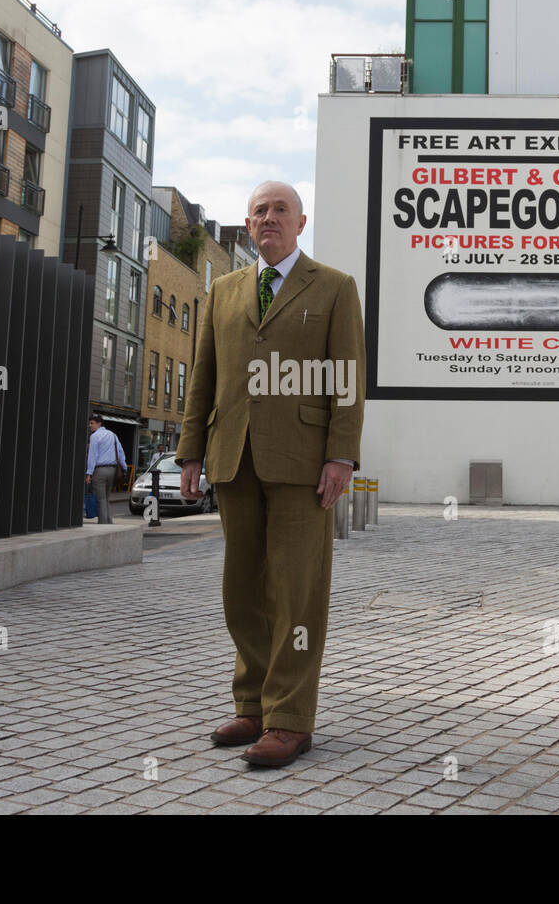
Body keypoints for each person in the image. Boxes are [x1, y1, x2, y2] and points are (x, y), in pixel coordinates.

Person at [175, 181, 365, 767]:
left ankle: (289, 718)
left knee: (296, 592)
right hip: (234, 457)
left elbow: (349, 377)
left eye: (281, 210)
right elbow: (201, 375)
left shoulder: (334, 287)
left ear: (301, 222)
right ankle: (251, 705)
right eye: (259, 211)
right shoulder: (224, 291)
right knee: (243, 591)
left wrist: (341, 455)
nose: (269, 218)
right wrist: (190, 451)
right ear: (248, 225)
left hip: (304, 464)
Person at [85, 413, 127, 525]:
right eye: (89, 423)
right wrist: (124, 467)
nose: (90, 425)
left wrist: (89, 473)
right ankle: (109, 522)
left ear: (99, 424)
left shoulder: (94, 436)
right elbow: (120, 452)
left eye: (92, 423)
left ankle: (103, 524)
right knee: (106, 498)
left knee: (101, 499)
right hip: (112, 471)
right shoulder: (112, 435)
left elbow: (92, 456)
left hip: (100, 471)